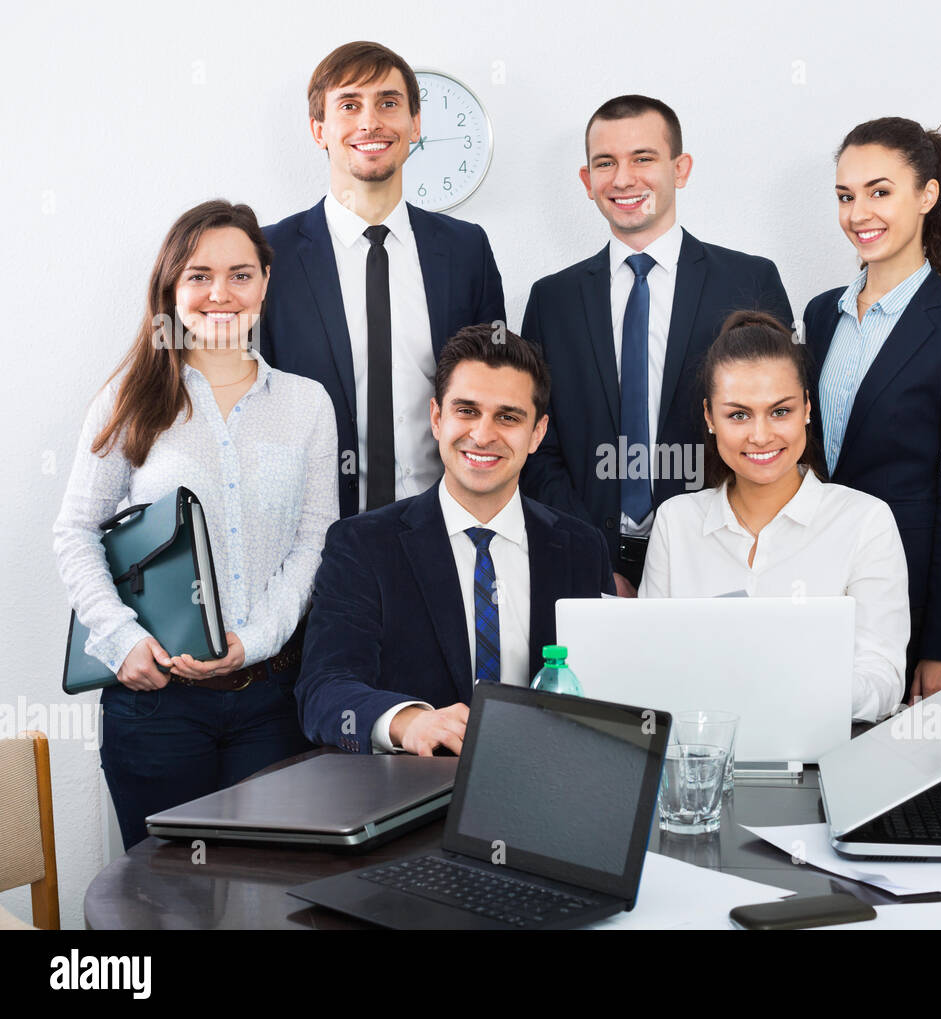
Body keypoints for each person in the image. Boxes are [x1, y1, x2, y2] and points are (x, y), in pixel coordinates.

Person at [53, 201, 338, 848]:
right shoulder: (130, 398)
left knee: (270, 896)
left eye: (241, 274)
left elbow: (314, 542)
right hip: (156, 707)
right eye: (199, 275)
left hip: (272, 699)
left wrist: (255, 639)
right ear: (171, 289)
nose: (220, 293)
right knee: (166, 904)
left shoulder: (306, 404)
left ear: (265, 281)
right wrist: (122, 639)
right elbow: (75, 530)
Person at [295, 324, 616, 756]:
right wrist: (409, 722)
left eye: (508, 417)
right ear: (436, 417)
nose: (483, 435)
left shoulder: (581, 547)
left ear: (537, 433)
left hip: (548, 786)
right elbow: (323, 690)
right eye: (466, 411)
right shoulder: (364, 545)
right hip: (414, 798)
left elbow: (606, 690)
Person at [521, 95, 793, 594]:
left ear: (680, 168)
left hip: (721, 557)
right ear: (587, 181)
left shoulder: (749, 282)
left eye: (643, 158)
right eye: (606, 163)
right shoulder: (551, 300)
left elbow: (777, 428)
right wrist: (593, 560)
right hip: (589, 560)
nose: (624, 178)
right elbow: (538, 445)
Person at [260, 40, 507, 519]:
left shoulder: (465, 250)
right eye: (349, 105)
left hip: (443, 525)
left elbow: (496, 392)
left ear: (415, 125)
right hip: (314, 534)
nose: (370, 122)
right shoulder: (271, 257)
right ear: (319, 130)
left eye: (388, 103)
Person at [803, 118, 941, 704]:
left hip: (912, 599)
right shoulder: (821, 316)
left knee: (909, 789)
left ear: (927, 196)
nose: (858, 213)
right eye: (846, 196)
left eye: (879, 192)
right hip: (820, 592)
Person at [640, 311, 910, 722]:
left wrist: (786, 681)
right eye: (738, 415)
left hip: (820, 759)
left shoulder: (865, 522)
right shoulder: (675, 523)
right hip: (699, 759)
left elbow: (883, 680)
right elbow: (648, 661)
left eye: (779, 411)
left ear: (806, 407)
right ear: (710, 418)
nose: (761, 435)